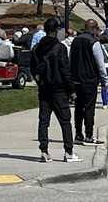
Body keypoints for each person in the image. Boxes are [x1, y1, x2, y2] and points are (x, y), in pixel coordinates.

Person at [32, 17, 80, 163]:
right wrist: (71, 89)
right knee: (65, 121)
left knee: (44, 120)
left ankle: (44, 150)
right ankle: (68, 151)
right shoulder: (60, 48)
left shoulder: (37, 49)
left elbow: (33, 69)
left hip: (44, 88)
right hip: (59, 89)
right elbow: (65, 70)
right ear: (56, 30)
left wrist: (39, 82)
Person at [70, 19, 107, 144]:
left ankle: (78, 134)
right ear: (95, 29)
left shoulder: (75, 41)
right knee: (89, 108)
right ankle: (89, 135)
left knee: (78, 107)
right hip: (90, 79)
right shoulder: (94, 43)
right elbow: (100, 63)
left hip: (76, 79)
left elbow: (71, 59)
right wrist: (104, 80)